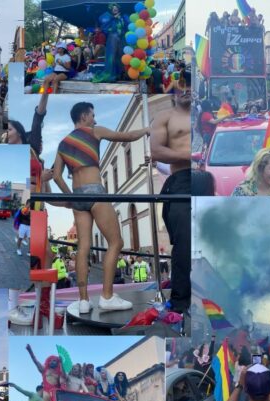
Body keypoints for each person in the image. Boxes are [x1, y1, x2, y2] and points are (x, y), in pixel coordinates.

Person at [51, 101, 149, 313]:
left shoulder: (63, 143)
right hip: (95, 190)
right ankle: (107, 296)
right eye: (92, 115)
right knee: (116, 241)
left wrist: (72, 197)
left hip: (77, 195)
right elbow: (128, 136)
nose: (95, 119)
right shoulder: (95, 131)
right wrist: (146, 130)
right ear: (84, 116)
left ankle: (84, 301)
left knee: (83, 248)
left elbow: (57, 176)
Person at [152, 78, 192, 313]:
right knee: (184, 242)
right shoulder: (164, 117)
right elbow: (156, 151)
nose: (186, 89)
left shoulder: (210, 112)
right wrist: (190, 155)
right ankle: (180, 304)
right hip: (182, 179)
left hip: (212, 176)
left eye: (190, 85)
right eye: (181, 85)